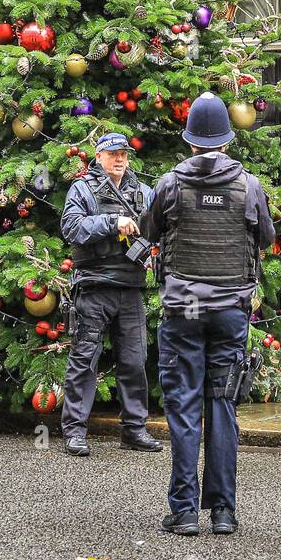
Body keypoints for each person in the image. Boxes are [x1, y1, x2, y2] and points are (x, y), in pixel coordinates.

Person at [140, 92, 276, 537]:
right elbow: (265, 238)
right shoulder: (249, 185)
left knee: (182, 408)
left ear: (191, 141)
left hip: (183, 311)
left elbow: (148, 231)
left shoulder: (170, 184)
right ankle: (222, 512)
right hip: (231, 312)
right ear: (226, 139)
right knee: (222, 407)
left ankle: (183, 512)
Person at [59, 132, 164, 457]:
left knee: (134, 361)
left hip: (130, 289)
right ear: (99, 156)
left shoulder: (143, 193)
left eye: (124, 154)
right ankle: (75, 432)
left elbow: (160, 226)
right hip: (94, 286)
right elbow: (72, 228)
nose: (120, 159)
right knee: (84, 360)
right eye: (113, 154)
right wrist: (111, 222)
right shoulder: (83, 189)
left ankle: (134, 430)